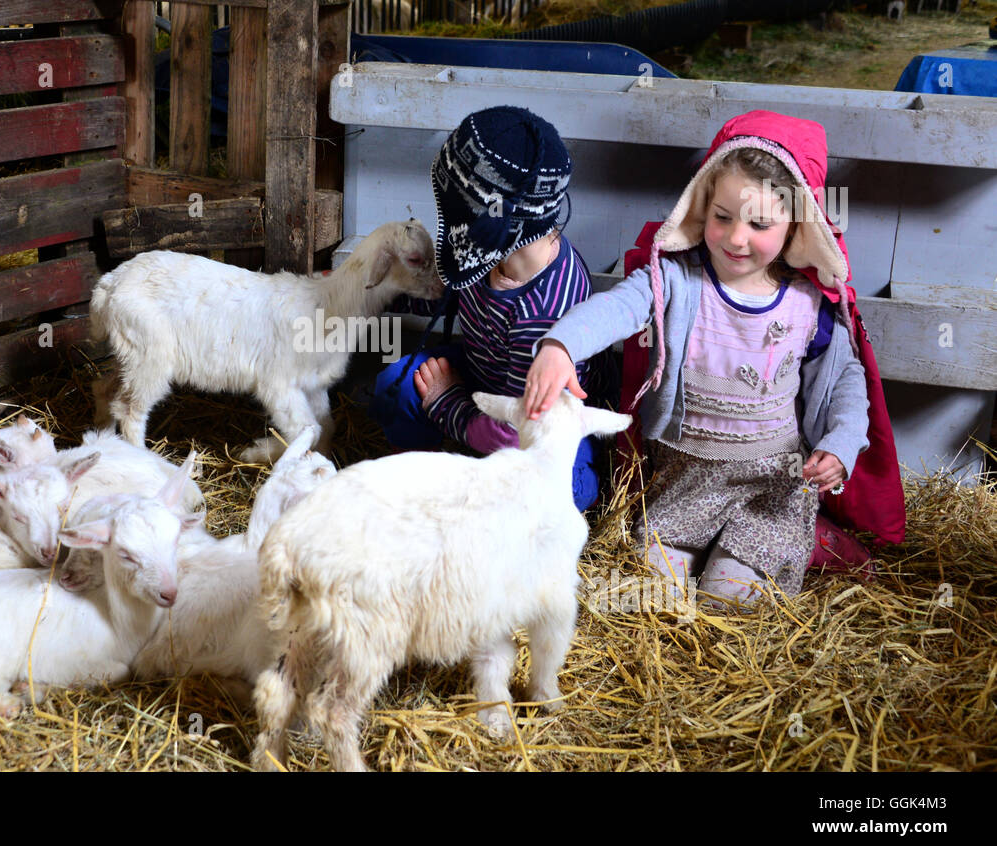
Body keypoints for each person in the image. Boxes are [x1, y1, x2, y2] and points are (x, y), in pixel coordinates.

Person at [524, 110, 874, 606]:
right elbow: (620, 306)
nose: (736, 237)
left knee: (724, 601)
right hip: (685, 480)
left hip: (770, 485)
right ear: (701, 206)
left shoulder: (809, 301)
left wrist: (841, 443)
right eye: (723, 216)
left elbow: (844, 380)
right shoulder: (677, 279)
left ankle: (812, 539)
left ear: (796, 223)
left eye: (759, 223)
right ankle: (703, 548)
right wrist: (561, 346)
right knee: (655, 593)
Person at [369, 105, 599, 510]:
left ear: (492, 215)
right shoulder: (486, 250)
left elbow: (516, 432)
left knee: (558, 490)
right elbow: (449, 291)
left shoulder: (548, 313)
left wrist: (446, 402)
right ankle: (413, 480)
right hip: (482, 374)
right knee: (396, 384)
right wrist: (369, 295)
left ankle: (500, 479)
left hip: (532, 420)